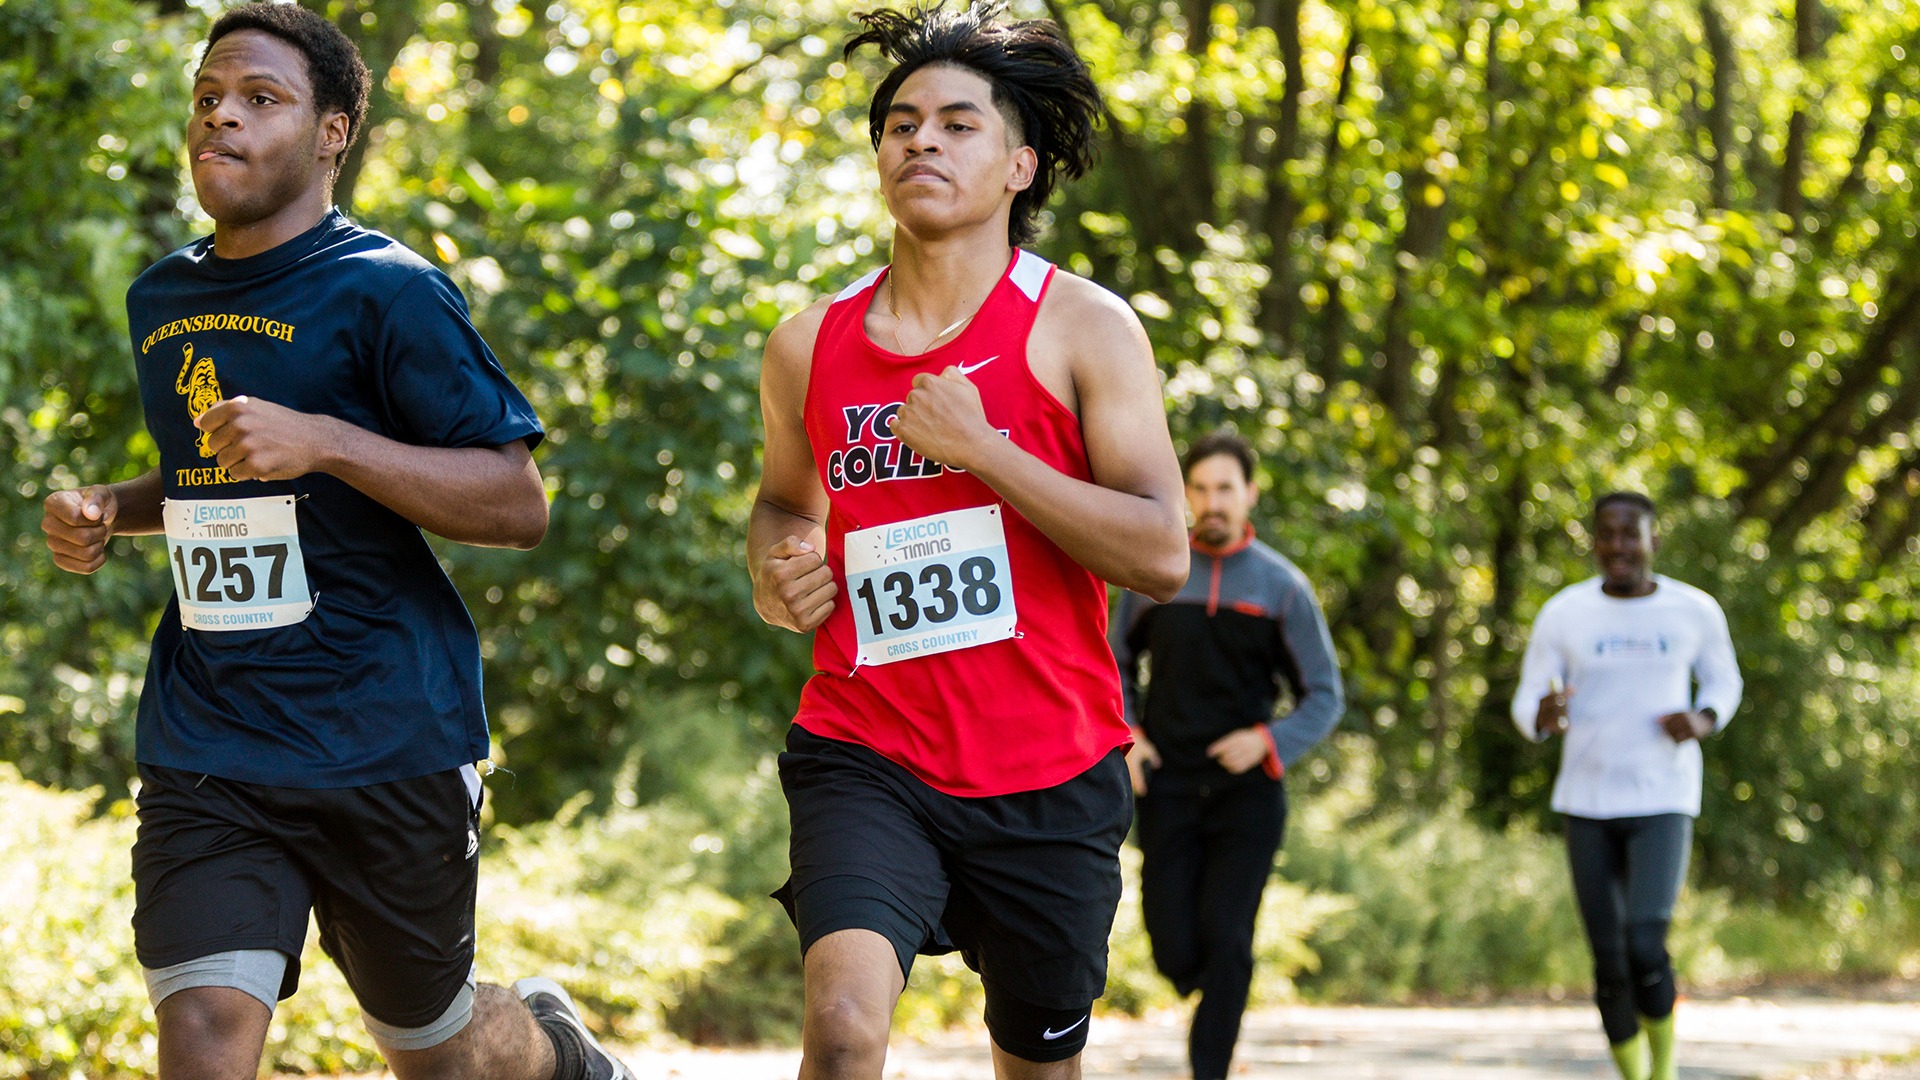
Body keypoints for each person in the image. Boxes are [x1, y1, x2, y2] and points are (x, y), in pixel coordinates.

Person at [38, 6, 631, 1079]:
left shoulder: (390, 290)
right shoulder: (161, 295)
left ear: (331, 134)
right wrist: (108, 509)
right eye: (209, 95)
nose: (221, 114)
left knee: (438, 1049)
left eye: (260, 98)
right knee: (206, 1034)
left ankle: (558, 1055)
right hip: (213, 731)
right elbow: (209, 479)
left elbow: (517, 502)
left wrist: (328, 444)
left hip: (385, 732)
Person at [746, 3, 1189, 1077]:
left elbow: (1160, 554)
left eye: (956, 124)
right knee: (845, 1034)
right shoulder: (811, 343)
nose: (921, 142)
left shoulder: (1085, 326)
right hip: (867, 748)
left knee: (1036, 1062)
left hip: (1049, 767)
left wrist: (987, 453)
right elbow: (782, 506)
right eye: (901, 125)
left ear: (1019, 167)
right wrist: (777, 571)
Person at [1110, 430, 1344, 1080]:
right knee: (1175, 951)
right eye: (1202, 489)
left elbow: (1324, 695)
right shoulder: (1157, 573)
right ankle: (1203, 991)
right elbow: (1112, 664)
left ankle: (1208, 1068)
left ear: (1250, 495)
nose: (1213, 503)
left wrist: (1268, 742)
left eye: (1226, 490)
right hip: (1168, 786)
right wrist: (1130, 736)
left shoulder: (1283, 589)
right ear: (1186, 495)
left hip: (1247, 795)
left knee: (1230, 939)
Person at [1510, 492, 1742, 1080]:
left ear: (1653, 541)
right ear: (1594, 542)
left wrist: (1704, 718)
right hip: (1587, 802)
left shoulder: (1693, 611)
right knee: (1609, 959)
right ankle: (1634, 1076)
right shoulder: (1565, 614)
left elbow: (1724, 681)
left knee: (1644, 940)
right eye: (1606, 535)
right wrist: (1543, 715)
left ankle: (1663, 1069)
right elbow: (1528, 699)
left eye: (1630, 534)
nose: (1618, 546)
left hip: (1663, 797)